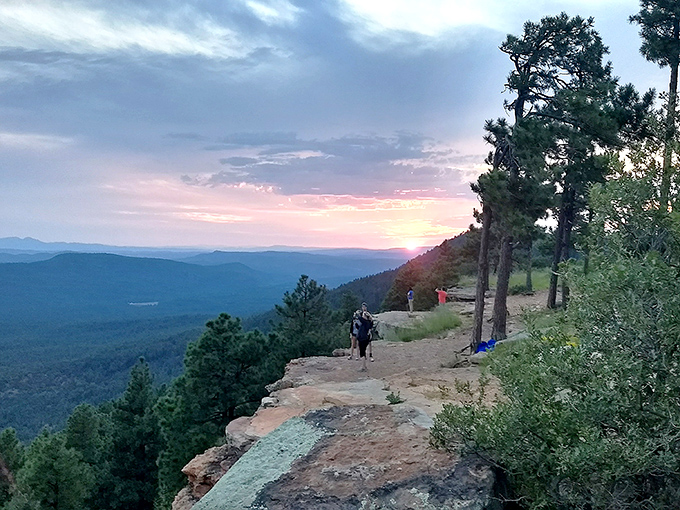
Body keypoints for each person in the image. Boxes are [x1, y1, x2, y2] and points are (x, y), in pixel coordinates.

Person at [355, 303, 374, 371]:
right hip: (365, 338)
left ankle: (363, 367)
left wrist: (357, 314)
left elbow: (359, 317)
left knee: (362, 352)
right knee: (363, 351)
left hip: (362, 338)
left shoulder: (364, 322)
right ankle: (364, 366)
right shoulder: (369, 322)